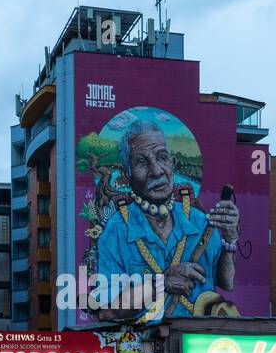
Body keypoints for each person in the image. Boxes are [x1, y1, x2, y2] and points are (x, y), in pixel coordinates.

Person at [94, 119, 240, 322]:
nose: (156, 170)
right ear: (126, 175)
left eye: (162, 157)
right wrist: (161, 283)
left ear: (173, 164)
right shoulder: (116, 230)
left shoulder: (199, 221)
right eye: (141, 162)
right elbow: (106, 311)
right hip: (142, 349)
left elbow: (226, 282)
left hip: (200, 347)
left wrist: (230, 239)